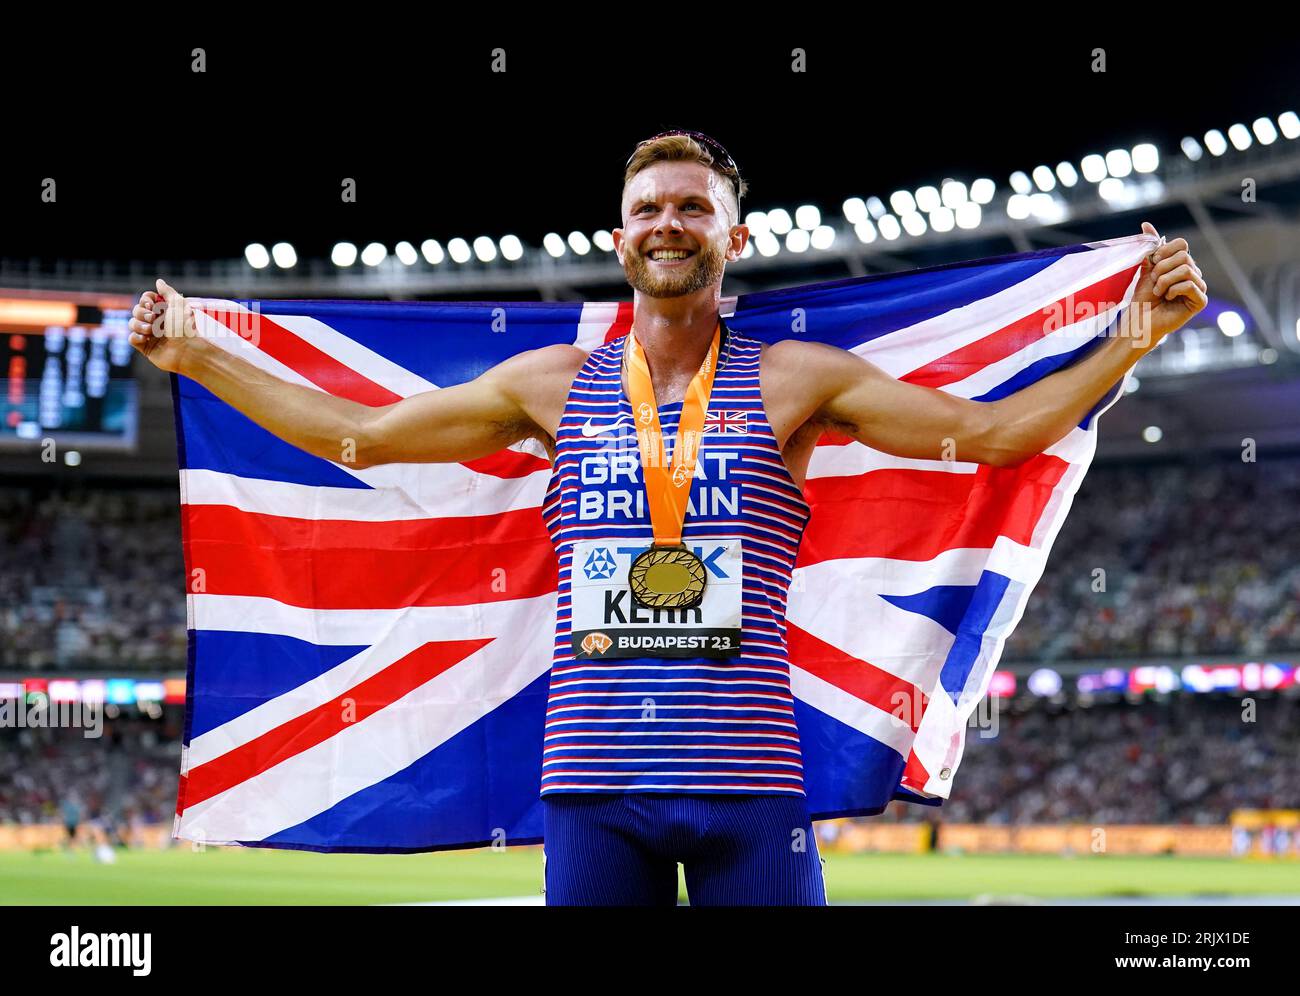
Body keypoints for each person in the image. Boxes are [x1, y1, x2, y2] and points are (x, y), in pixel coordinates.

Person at [128, 131, 1207, 905]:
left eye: (692, 206)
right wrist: (201, 354)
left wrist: (1128, 339)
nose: (668, 223)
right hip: (594, 784)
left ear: (732, 237)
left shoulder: (795, 380)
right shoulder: (547, 385)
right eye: (649, 207)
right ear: (619, 236)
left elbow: (991, 436)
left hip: (749, 784)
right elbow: (353, 436)